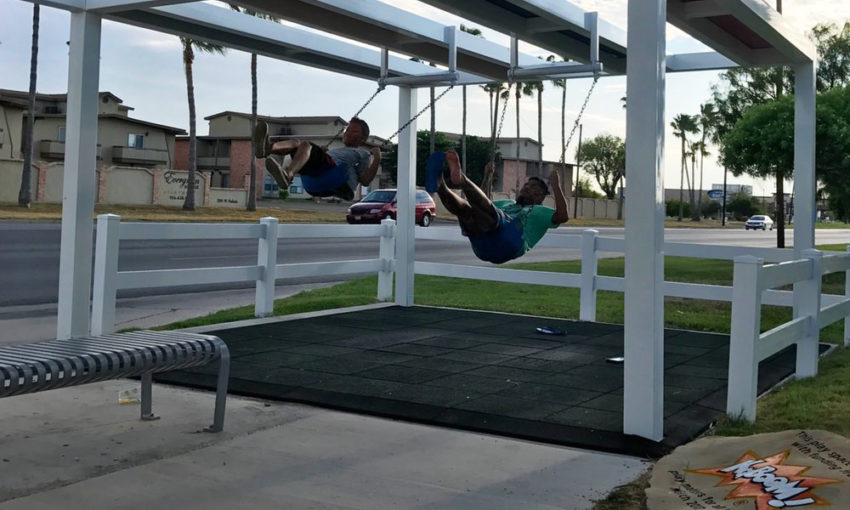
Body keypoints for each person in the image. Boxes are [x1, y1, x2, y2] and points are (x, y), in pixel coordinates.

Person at [427, 150, 569, 264]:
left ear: (540, 198)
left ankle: (462, 180)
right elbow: (481, 204)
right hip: (481, 244)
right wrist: (487, 176)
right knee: (467, 212)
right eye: (526, 184)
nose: (527, 187)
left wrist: (556, 186)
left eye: (533, 187)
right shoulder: (507, 203)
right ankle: (440, 186)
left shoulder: (539, 211)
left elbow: (562, 217)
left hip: (508, 243)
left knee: (496, 217)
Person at [254, 117, 381, 201]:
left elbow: (365, 180)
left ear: (363, 138)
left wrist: (377, 158)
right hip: (314, 179)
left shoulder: (362, 153)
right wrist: (320, 152)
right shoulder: (337, 151)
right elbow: (325, 158)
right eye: (348, 130)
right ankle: (268, 148)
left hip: (332, 176)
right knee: (296, 143)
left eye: (354, 132)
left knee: (305, 145)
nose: (348, 133)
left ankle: (287, 174)